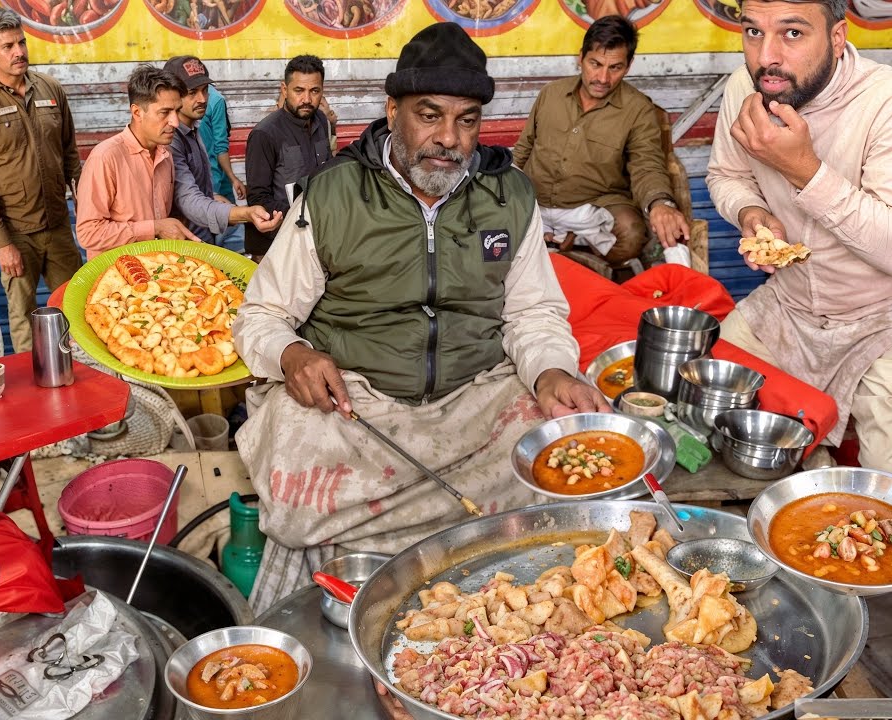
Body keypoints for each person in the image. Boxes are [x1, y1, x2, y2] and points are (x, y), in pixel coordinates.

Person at [233, 22, 610, 613]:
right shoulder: (331, 195)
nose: (449, 139)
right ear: (392, 110)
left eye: (466, 121)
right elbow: (262, 314)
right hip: (358, 407)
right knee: (291, 454)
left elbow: (533, 312)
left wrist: (551, 372)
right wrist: (293, 355)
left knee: (556, 448)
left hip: (473, 401)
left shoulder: (509, 196)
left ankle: (416, 546)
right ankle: (463, 537)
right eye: (429, 116)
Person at [706, 0, 892, 484]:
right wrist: (750, 211)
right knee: (711, 405)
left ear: (836, 38)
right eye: (752, 32)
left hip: (885, 319)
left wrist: (803, 170)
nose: (767, 56)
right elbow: (726, 175)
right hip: (789, 307)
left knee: (890, 488)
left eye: (792, 34)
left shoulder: (891, 101)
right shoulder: (743, 89)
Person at [511, 15, 689, 270]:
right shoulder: (551, 94)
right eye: (595, 63)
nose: (603, 78)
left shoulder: (638, 110)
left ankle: (564, 246)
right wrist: (504, 192)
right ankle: (561, 245)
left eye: (615, 67)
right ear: (580, 57)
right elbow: (523, 149)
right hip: (534, 201)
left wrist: (661, 203)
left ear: (628, 66)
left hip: (592, 208)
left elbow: (646, 165)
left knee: (631, 233)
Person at [0, 7, 81, 352]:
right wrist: (1, 244)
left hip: (58, 228)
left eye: (21, 43)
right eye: (9, 46)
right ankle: (34, 390)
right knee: (23, 317)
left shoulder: (50, 89)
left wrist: (83, 207)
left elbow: (70, 154)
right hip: (15, 234)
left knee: (75, 307)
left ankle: (84, 375)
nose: (19, 52)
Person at [75, 66, 199, 257]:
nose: (175, 122)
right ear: (137, 112)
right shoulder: (105, 157)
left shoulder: (165, 154)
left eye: (177, 111)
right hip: (116, 277)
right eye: (164, 112)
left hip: (157, 270)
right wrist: (154, 228)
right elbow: (88, 233)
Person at [162, 56, 282, 245]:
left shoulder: (194, 128)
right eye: (192, 92)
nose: (202, 99)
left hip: (202, 237)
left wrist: (213, 196)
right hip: (184, 246)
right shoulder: (171, 140)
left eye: (205, 90)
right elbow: (189, 200)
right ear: (172, 95)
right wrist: (244, 213)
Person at [244, 55, 336, 258]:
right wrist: (308, 215)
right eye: (299, 90)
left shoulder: (322, 121)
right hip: (277, 245)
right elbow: (258, 198)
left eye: (314, 91)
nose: (307, 100)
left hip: (317, 240)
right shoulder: (265, 134)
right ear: (284, 90)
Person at [200, 83, 248, 251]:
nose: (200, 99)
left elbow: (220, 145)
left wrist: (232, 178)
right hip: (213, 182)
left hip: (215, 180)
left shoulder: (215, 100)